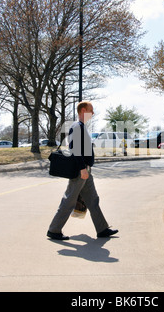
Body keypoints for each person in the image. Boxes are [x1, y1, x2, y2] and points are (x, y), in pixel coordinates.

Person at [47, 101, 118, 241]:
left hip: (86, 171)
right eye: (91, 110)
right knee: (69, 200)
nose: (93, 113)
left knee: (93, 200)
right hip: (81, 171)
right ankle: (53, 230)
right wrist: (81, 168)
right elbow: (75, 149)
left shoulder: (81, 127)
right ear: (83, 110)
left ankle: (102, 229)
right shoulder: (77, 127)